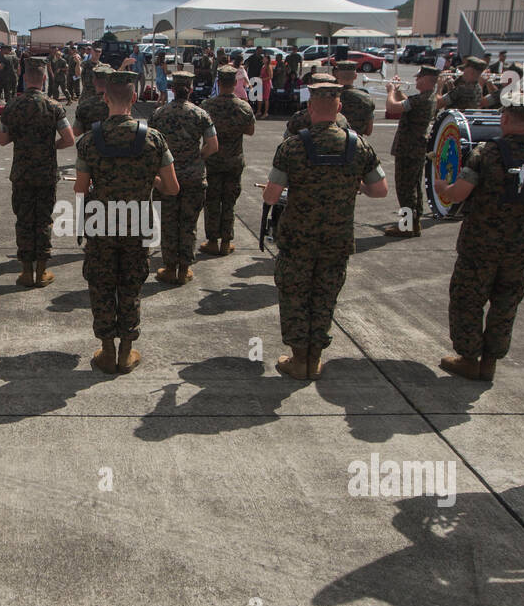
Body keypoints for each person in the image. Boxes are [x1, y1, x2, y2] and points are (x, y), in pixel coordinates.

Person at [263, 81, 387, 379]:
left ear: (309, 108)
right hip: (337, 238)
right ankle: (315, 359)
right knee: (325, 296)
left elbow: (270, 195)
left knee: (294, 295)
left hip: (297, 238)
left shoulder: (292, 146)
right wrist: (351, 184)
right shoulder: (358, 145)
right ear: (339, 108)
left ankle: (298, 359)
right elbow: (380, 189)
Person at [434, 94, 524, 381]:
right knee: (506, 304)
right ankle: (490, 361)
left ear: (505, 118)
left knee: (468, 301)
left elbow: (459, 193)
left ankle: (468, 357)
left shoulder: (485, 153)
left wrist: (443, 187)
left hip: (480, 245)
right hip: (519, 246)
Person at [75, 70, 179, 374]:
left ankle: (106, 351)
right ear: (134, 98)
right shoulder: (153, 138)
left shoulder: (90, 140)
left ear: (105, 98)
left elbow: (80, 189)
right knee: (131, 285)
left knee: (102, 284)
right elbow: (172, 188)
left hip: (101, 223)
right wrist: (152, 180)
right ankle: (126, 351)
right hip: (138, 224)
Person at [0, 57, 75, 286]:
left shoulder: (12, 106)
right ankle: (42, 271)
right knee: (43, 221)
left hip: (21, 172)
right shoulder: (54, 107)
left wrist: (22, 139)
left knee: (23, 221)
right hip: (45, 173)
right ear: (44, 78)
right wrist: (49, 146)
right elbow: (69, 139)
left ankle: (25, 271)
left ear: (24, 78)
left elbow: (2, 140)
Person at [150, 71, 217, 284]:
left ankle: (169, 268)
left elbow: (150, 145)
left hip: (166, 178)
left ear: (172, 89)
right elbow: (213, 145)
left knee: (169, 223)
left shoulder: (159, 114)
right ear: (190, 89)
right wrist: (197, 158)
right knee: (188, 223)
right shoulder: (201, 114)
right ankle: (184, 269)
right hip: (194, 177)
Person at [199, 64, 256, 255]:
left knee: (212, 200)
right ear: (234, 83)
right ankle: (226, 241)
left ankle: (212, 240)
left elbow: (200, 130)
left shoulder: (207, 106)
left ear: (219, 83)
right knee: (230, 201)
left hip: (213, 160)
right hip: (234, 160)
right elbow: (250, 131)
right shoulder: (243, 107)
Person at [382, 66, 439, 237]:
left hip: (408, 149)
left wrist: (391, 91)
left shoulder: (421, 99)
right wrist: (399, 93)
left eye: (419, 78)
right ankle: (414, 222)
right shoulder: (429, 98)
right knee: (413, 187)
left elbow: (392, 108)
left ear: (426, 79)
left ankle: (406, 226)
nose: (416, 81)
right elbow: (407, 104)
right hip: (416, 148)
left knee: (404, 189)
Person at [333, 61, 375, 135]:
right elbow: (368, 131)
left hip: (333, 142)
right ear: (355, 76)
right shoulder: (366, 98)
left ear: (336, 75)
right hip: (356, 142)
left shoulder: (328, 96)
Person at [74, 64, 113, 135]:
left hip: (91, 144)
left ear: (94, 81)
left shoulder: (84, 105)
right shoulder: (117, 103)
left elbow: (76, 132)